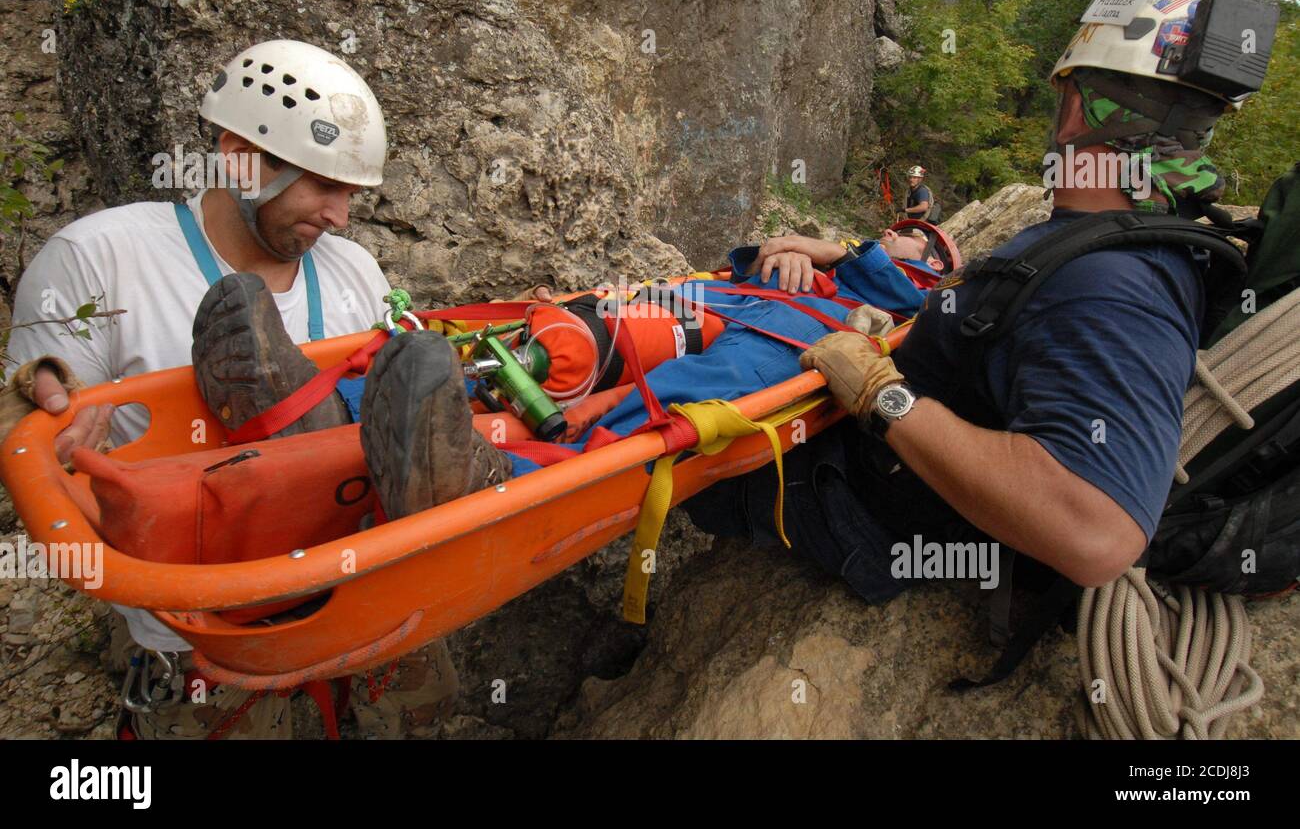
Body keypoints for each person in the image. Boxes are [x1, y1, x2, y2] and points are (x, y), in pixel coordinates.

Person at [686, 0, 1278, 605]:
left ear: (1076, 108)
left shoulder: (1113, 282)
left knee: (692, 421)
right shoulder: (1112, 238)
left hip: (855, 504)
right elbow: (997, 317)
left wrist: (884, 401)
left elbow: (1099, 536)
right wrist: (847, 256)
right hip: (897, 471)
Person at [0, 39, 456, 739]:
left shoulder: (353, 272)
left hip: (361, 593)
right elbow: (37, 415)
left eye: (351, 195)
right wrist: (44, 409)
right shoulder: (99, 259)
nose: (340, 217)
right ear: (241, 157)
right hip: (200, 632)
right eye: (324, 187)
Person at [186, 225, 947, 523]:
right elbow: (752, 257)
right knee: (557, 339)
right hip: (722, 296)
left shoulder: (912, 291)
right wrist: (791, 245)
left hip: (813, 337)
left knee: (683, 401)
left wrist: (844, 255)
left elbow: (909, 299)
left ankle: (494, 473)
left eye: (915, 239)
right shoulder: (826, 251)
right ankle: (324, 402)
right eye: (898, 232)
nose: (897, 238)